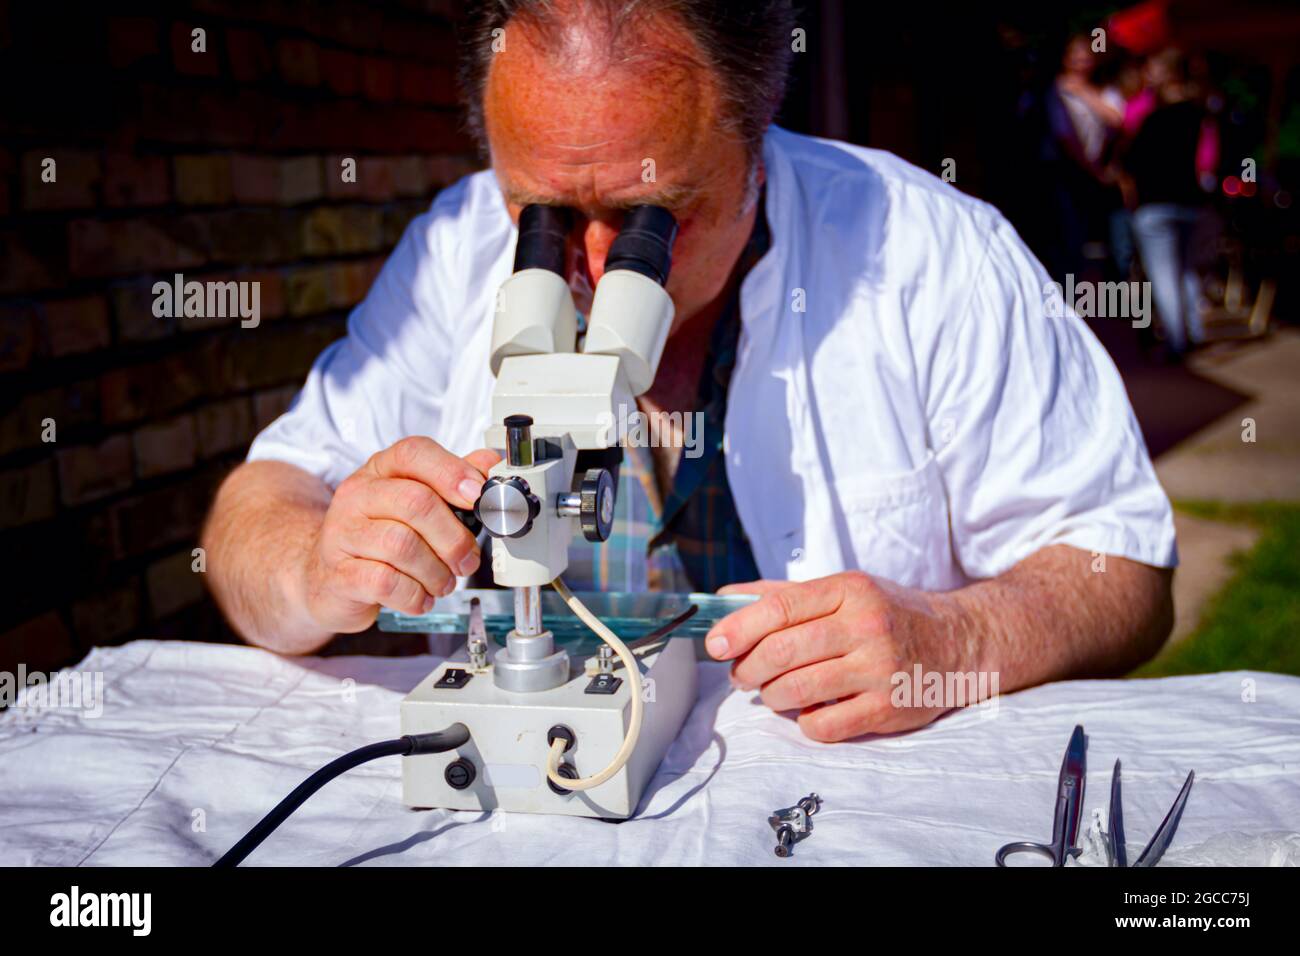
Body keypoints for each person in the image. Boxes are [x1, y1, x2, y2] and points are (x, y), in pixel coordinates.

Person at [202, 0, 1176, 743]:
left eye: (653, 215)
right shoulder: (452, 248)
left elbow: (1123, 568)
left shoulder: (932, 251)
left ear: (756, 148)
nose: (587, 261)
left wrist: (954, 640)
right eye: (540, 211)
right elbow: (260, 502)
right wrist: (317, 558)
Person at [1123, 48, 1214, 359]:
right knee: (1186, 271)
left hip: (1155, 205)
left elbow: (1130, 160)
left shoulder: (1151, 120)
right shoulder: (1199, 116)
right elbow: (1208, 161)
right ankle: (1195, 331)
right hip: (1190, 203)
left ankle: (1177, 342)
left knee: (1164, 276)